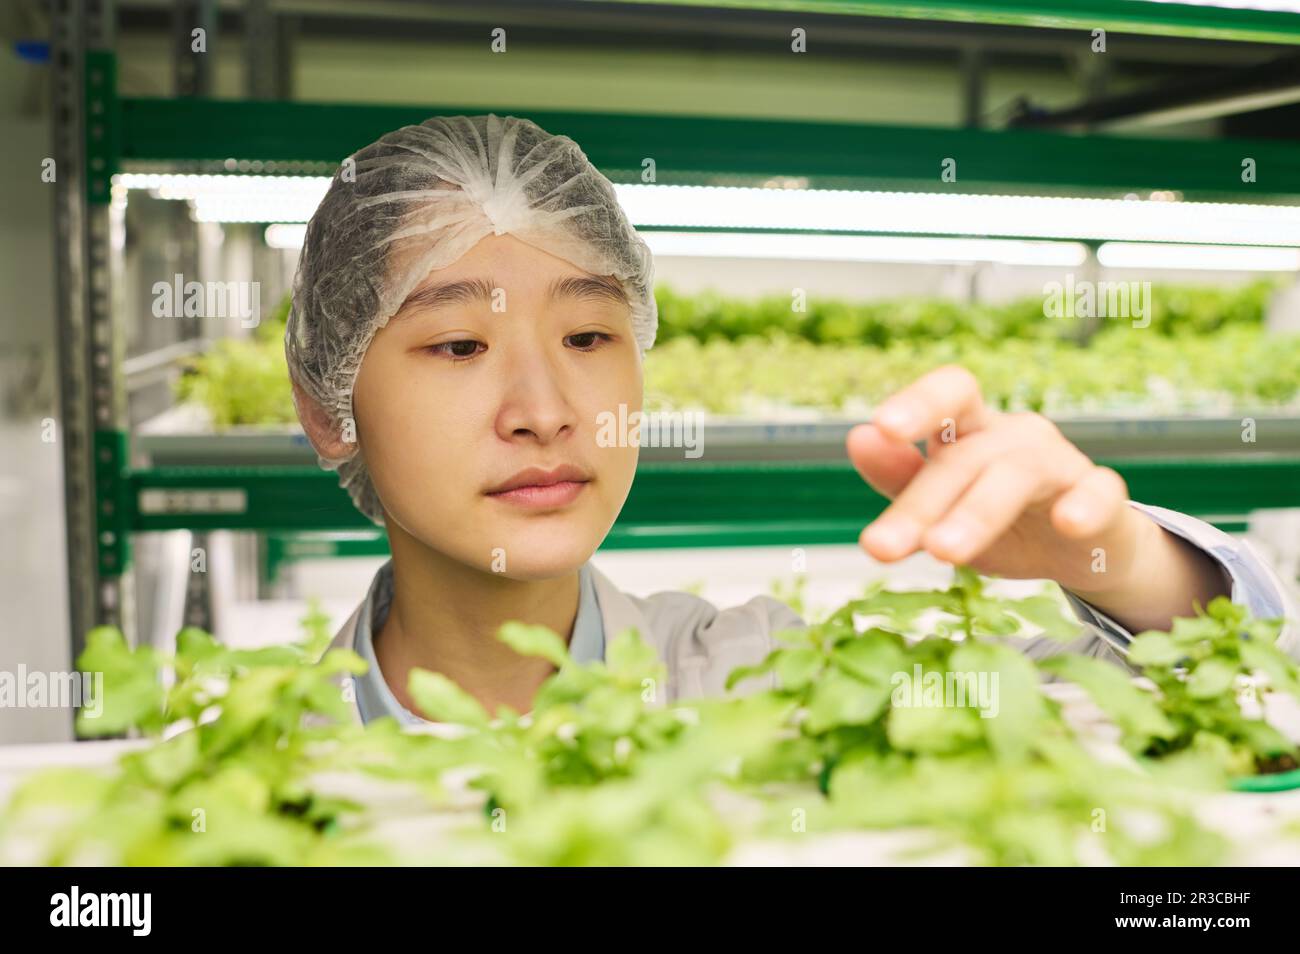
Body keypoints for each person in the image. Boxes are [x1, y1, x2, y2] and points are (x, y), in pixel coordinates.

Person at [284, 113, 1298, 725]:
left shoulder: (767, 682)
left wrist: (1114, 558)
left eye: (589, 337)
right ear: (329, 410)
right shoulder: (224, 763)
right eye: (459, 345)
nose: (546, 412)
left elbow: (1215, 715)